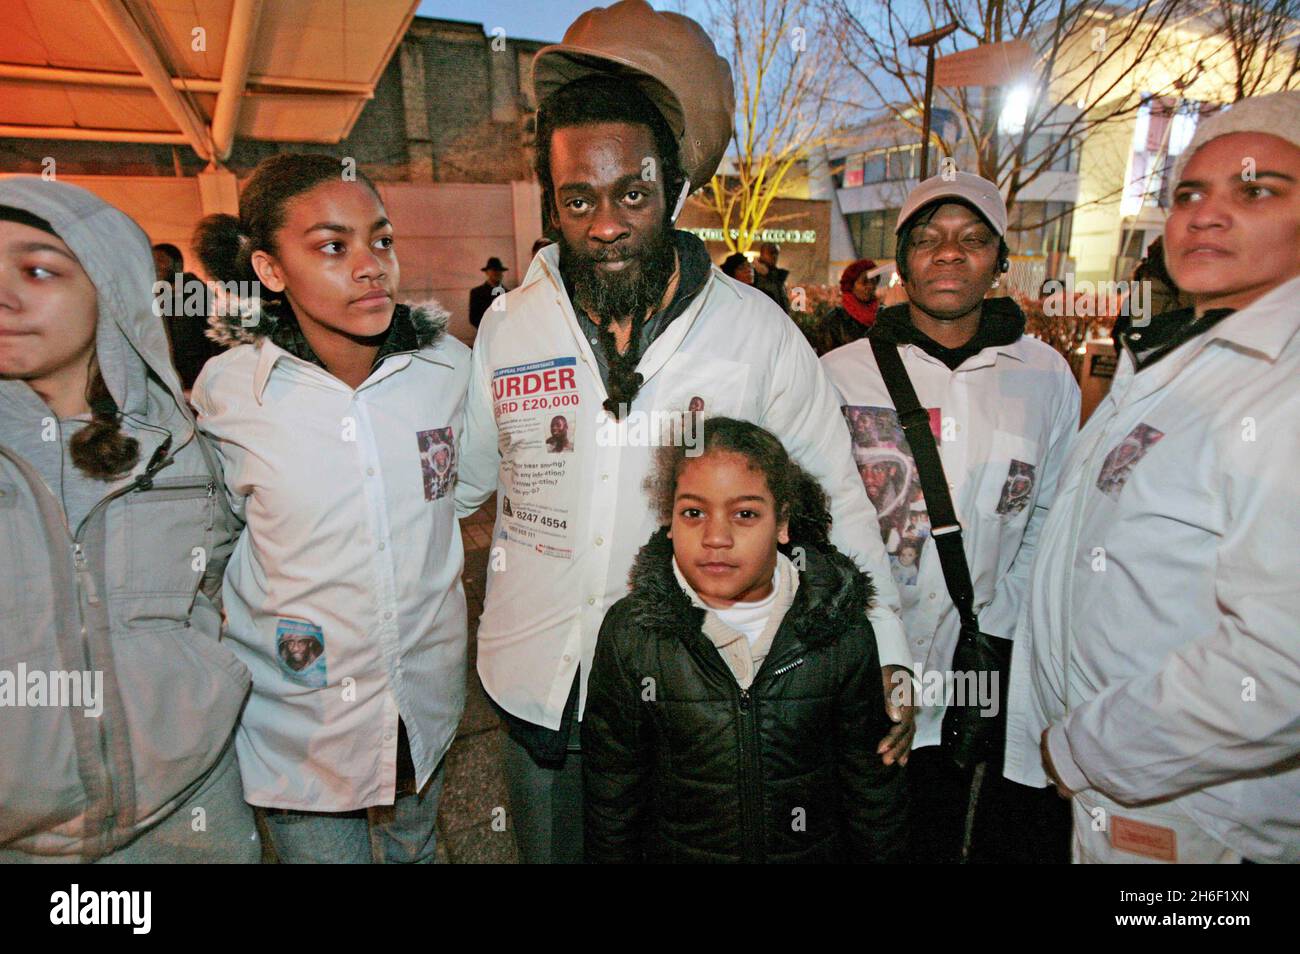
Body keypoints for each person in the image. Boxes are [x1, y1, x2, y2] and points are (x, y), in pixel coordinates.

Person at [456, 0, 916, 865]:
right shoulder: (510, 329)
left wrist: (889, 655)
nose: (605, 223)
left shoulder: (756, 333)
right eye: (578, 199)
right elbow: (461, 486)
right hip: (537, 691)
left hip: (692, 706)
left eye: (632, 193)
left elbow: (840, 502)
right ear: (552, 207)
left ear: (673, 189)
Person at [1006, 90, 1300, 864]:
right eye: (1189, 194)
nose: (1205, 215)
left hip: (1207, 822)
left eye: (1257, 190)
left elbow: (1281, 667)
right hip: (1140, 803)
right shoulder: (1193, 357)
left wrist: (1087, 748)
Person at [190, 153, 471, 864]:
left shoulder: (446, 372)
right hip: (298, 731)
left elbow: (465, 491)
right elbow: (210, 548)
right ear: (271, 269)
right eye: (331, 247)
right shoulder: (229, 396)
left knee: (417, 847)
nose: (371, 265)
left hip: (422, 708)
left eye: (380, 240)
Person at [822, 171, 1081, 864]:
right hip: (869, 669)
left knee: (950, 837)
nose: (949, 253)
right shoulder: (841, 374)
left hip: (981, 666)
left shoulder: (1045, 375)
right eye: (928, 239)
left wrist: (996, 635)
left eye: (972, 239)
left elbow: (1050, 512)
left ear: (999, 259)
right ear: (901, 260)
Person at [0, 176, 257, 862]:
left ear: (110, 285)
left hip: (191, 813)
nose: (5, 293)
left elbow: (227, 579)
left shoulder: (182, 449)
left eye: (37, 269)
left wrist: (205, 678)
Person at [584, 417, 907, 862]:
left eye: (746, 514)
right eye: (693, 513)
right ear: (669, 521)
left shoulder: (840, 632)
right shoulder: (633, 635)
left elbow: (872, 795)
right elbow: (612, 794)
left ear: (782, 523)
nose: (716, 537)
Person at [151, 242, 222, 392]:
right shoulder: (157, 297)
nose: (156, 266)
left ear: (177, 264)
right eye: (152, 261)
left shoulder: (194, 290)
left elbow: (219, 330)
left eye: (161, 261)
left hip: (201, 377)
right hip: (174, 379)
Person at [813, 258, 880, 356]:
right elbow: (827, 356)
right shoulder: (835, 320)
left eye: (873, 282)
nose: (869, 286)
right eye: (864, 282)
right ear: (851, 285)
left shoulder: (882, 317)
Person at [469, 256, 509, 329]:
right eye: (494, 270)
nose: (497, 272)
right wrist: (489, 329)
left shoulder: (508, 294)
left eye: (499, 270)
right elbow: (473, 318)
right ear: (487, 272)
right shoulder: (477, 293)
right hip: (487, 335)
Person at [751, 241, 789, 311]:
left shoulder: (777, 275)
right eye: (771, 253)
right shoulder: (753, 274)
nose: (774, 256)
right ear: (762, 254)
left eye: (776, 253)